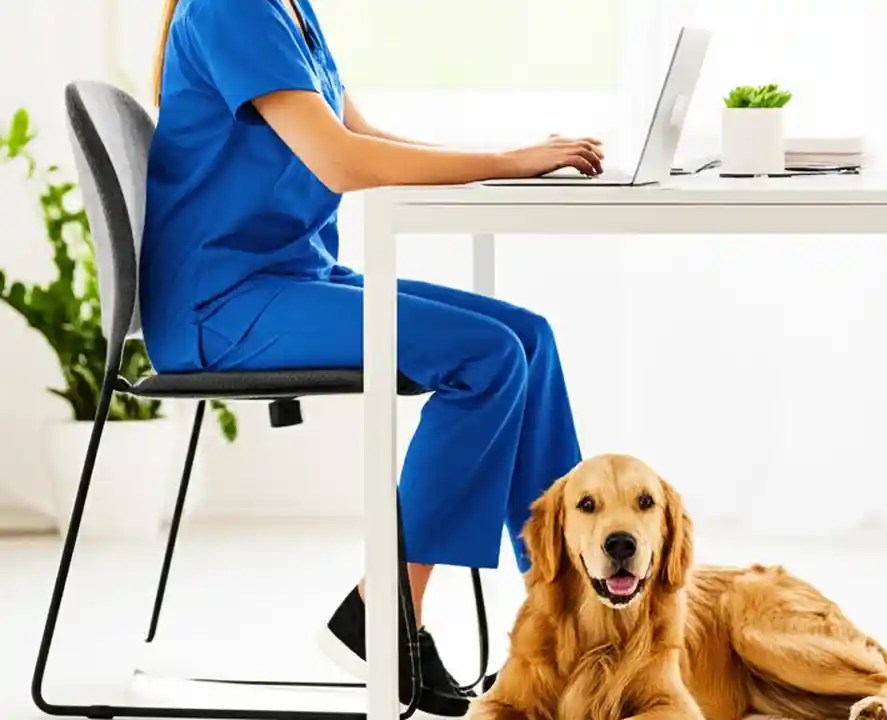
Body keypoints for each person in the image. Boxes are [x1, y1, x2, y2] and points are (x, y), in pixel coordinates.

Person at [145, 0, 601, 714]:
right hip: (222, 303)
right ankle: (383, 612)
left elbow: (359, 132)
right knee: (485, 357)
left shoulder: (289, 6)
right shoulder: (229, 5)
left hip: (291, 277)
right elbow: (342, 161)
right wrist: (510, 161)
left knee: (528, 339)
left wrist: (504, 160)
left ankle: (575, 620)